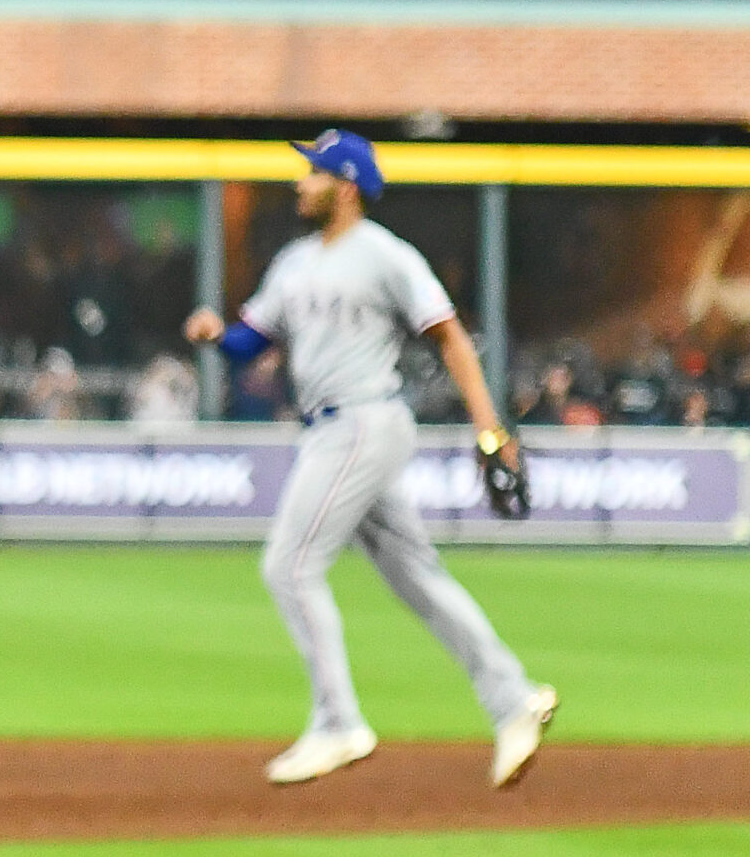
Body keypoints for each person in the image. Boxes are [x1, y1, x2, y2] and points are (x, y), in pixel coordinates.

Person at [184, 131, 556, 789]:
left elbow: (450, 339)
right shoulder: (294, 261)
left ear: (346, 184)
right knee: (418, 576)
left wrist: (490, 429)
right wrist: (219, 336)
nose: (301, 181)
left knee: (289, 565)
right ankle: (513, 697)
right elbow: (253, 339)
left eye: (314, 172)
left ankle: (338, 722)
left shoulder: (386, 256)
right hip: (334, 428)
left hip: (363, 421)